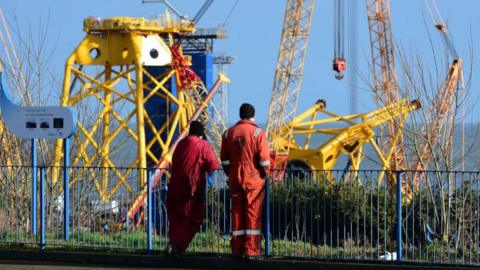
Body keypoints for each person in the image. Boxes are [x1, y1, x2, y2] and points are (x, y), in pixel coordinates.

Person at [220, 103, 271, 258]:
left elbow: (224, 160)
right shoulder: (257, 133)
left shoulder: (228, 133)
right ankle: (251, 250)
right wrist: (264, 174)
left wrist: (231, 174)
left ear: (240, 115)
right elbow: (264, 161)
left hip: (235, 178)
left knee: (236, 213)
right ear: (253, 116)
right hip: (253, 179)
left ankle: (237, 249)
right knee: (253, 213)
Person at [165, 120, 220, 257]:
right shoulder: (203, 145)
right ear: (201, 134)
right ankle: (177, 245)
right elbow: (213, 165)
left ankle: (173, 245)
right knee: (193, 220)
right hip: (191, 188)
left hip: (174, 186)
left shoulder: (180, 144)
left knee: (176, 218)